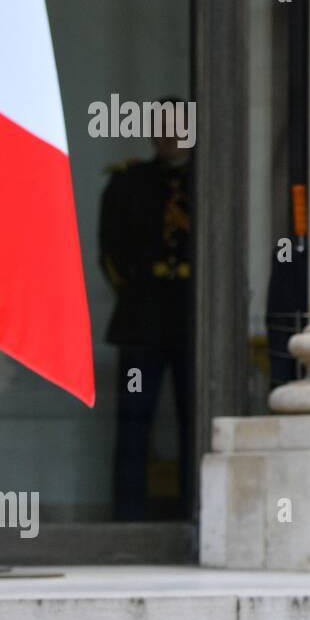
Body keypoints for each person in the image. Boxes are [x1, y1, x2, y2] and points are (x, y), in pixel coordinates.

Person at [98, 99, 194, 522]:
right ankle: (128, 521)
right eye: (161, 126)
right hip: (142, 324)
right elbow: (111, 254)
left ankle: (198, 514)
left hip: (196, 322)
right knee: (134, 424)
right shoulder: (128, 181)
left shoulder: (211, 177)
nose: (168, 134)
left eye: (176, 126)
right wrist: (135, 293)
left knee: (196, 421)